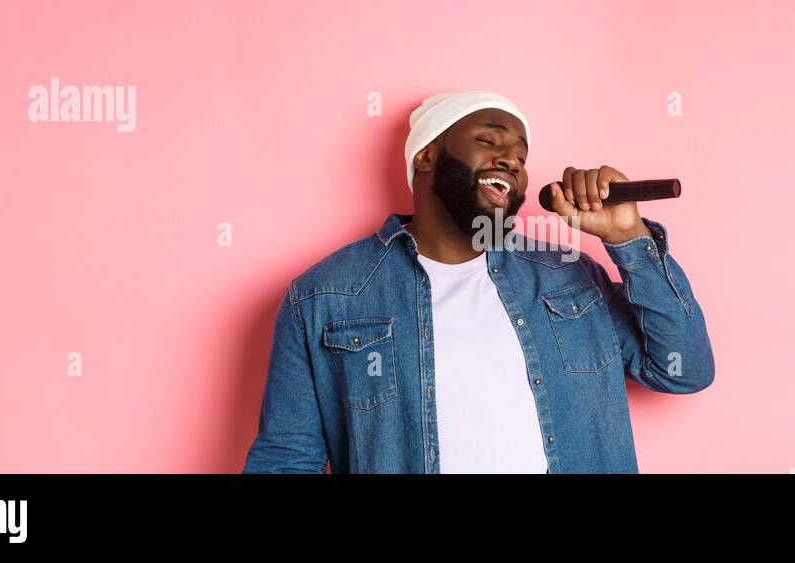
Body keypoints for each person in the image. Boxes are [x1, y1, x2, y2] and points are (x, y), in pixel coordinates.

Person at [242, 90, 714, 473]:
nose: (512, 159)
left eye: (521, 154)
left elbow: (683, 370)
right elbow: (286, 460)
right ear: (426, 156)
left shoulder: (569, 278)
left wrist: (627, 236)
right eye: (490, 141)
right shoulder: (324, 298)